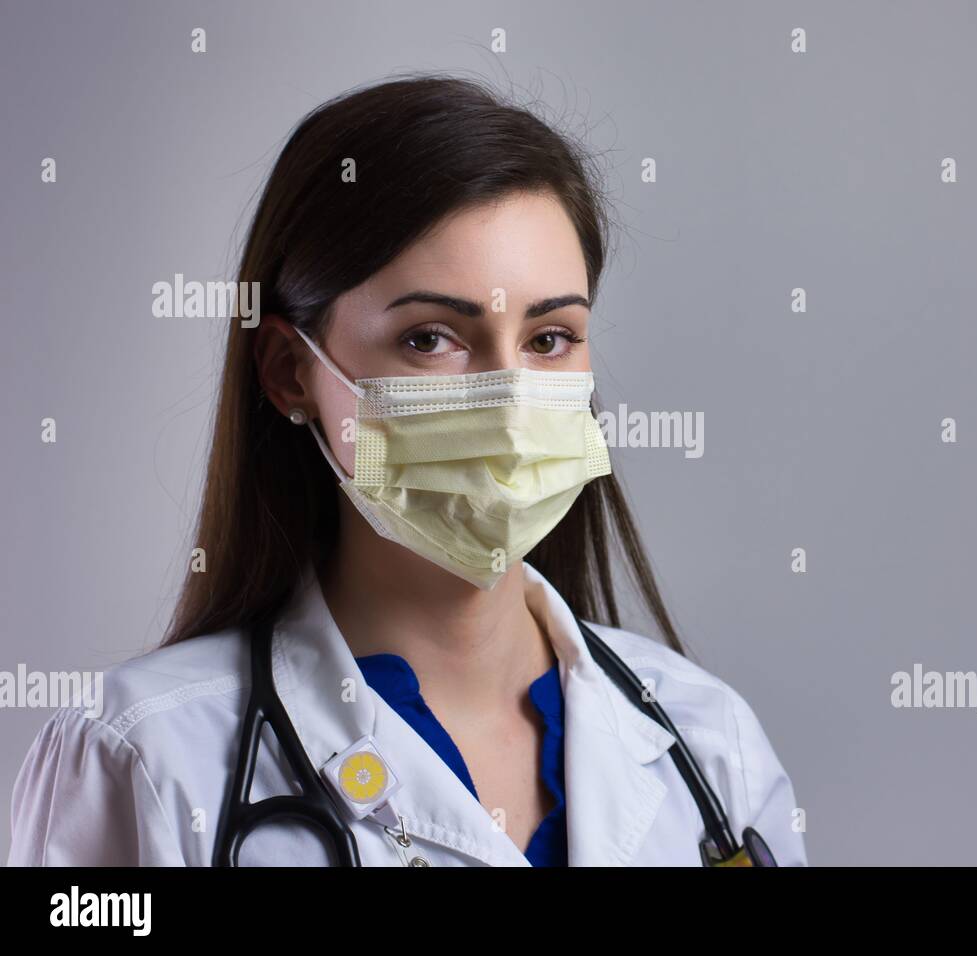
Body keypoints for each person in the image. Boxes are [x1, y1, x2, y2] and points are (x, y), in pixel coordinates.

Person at [6, 73, 807, 867]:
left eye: (550, 338)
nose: (509, 399)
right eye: (431, 337)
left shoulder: (709, 746)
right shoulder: (144, 758)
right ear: (291, 370)